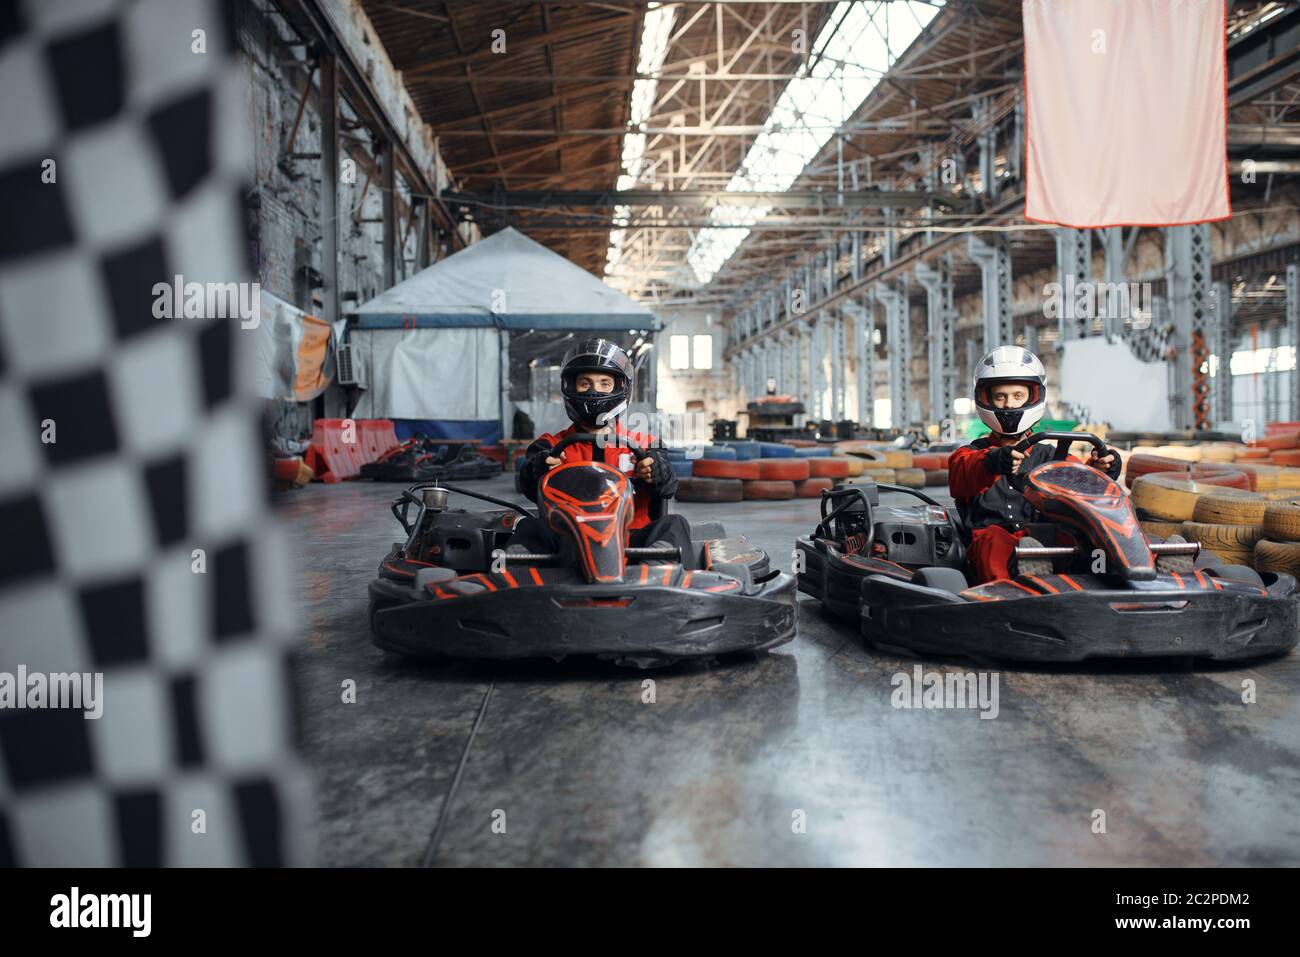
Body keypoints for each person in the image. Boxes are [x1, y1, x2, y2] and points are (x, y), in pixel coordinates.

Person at [947, 346, 1122, 583]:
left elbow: (1079, 482)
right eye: (1000, 397)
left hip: (1046, 539)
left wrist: (1100, 469)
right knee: (993, 541)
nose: (1009, 405)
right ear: (986, 399)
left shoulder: (1050, 455)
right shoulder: (971, 453)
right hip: (996, 540)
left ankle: (1139, 571)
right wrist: (991, 462)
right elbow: (962, 475)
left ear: (1033, 396)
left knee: (1087, 535)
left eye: (1017, 396)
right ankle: (1013, 589)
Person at [513, 338, 692, 563]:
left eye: (604, 383)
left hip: (631, 544)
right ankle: (517, 580)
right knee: (527, 526)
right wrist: (539, 468)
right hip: (568, 543)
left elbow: (668, 488)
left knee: (675, 524)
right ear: (570, 386)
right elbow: (528, 487)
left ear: (619, 387)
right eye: (585, 383)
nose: (594, 392)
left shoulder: (646, 445)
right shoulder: (549, 446)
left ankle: (654, 571)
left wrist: (656, 471)